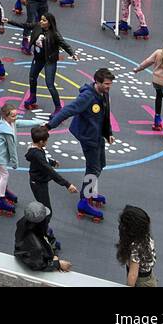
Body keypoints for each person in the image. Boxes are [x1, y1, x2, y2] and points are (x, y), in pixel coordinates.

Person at [47, 68, 115, 223]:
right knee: (93, 168)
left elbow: (105, 114)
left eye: (110, 84)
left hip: (98, 135)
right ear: (97, 82)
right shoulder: (87, 97)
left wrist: (108, 133)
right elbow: (69, 110)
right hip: (88, 137)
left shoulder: (104, 92)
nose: (108, 87)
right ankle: (84, 201)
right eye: (106, 84)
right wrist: (50, 125)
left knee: (100, 165)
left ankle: (90, 191)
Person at [22, 14, 73, 112]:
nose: (41, 21)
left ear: (49, 23)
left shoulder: (54, 34)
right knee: (32, 77)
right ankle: (32, 97)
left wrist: (72, 53)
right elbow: (25, 25)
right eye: (41, 19)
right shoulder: (37, 26)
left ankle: (58, 108)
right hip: (38, 58)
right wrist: (9, 21)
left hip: (49, 60)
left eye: (44, 20)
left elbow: (64, 44)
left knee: (50, 84)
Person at [14, 202, 72, 273]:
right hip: (32, 255)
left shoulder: (27, 221)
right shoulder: (35, 247)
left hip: (35, 248)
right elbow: (39, 265)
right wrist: (58, 264)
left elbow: (46, 234)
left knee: (49, 232)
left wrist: (54, 254)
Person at [117, 206, 158, 287]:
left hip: (141, 282)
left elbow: (133, 275)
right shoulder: (146, 237)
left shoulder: (135, 248)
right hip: (148, 277)